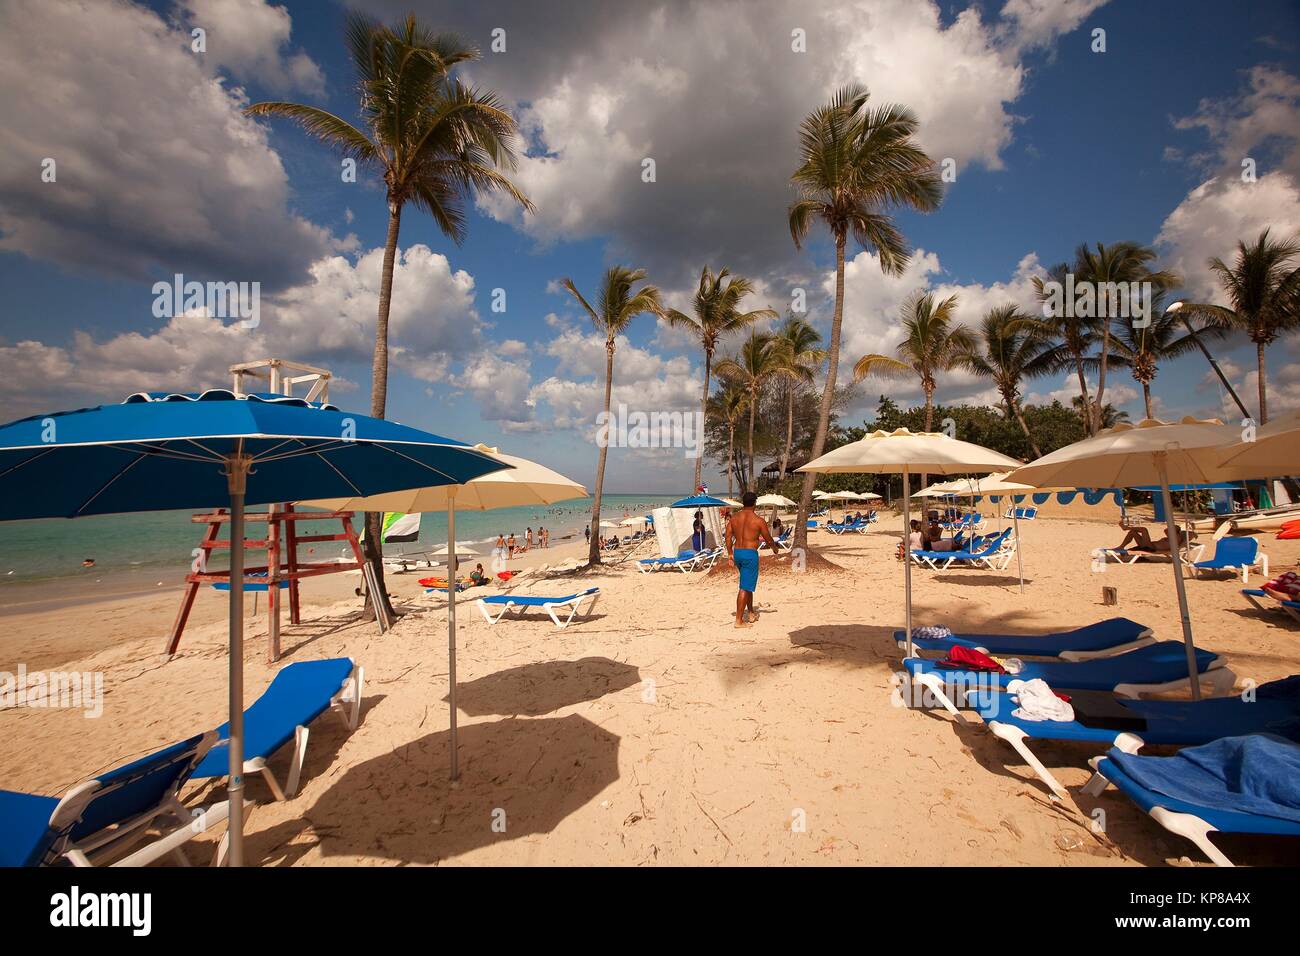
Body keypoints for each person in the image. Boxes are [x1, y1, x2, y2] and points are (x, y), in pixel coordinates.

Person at [726, 491, 786, 628]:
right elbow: (768, 538)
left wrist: (730, 553)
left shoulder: (733, 519)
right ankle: (739, 621)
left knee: (747, 583)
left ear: (743, 503)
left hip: (738, 553)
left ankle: (751, 613)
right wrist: (775, 548)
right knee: (744, 587)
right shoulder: (758, 520)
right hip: (749, 554)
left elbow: (728, 537)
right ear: (754, 504)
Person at [1110, 518, 1191, 554]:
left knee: (1144, 529)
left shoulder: (1177, 538)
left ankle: (1125, 528)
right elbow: (1165, 530)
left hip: (1151, 548)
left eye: (1172, 527)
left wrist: (1191, 533)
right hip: (1147, 545)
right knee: (1133, 532)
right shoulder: (1172, 536)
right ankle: (1121, 546)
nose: (1170, 527)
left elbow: (1166, 530)